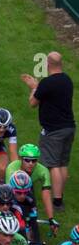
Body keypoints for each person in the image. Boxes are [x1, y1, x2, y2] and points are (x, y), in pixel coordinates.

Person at [21, 53, 74, 210]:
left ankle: (57, 201)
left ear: (47, 64)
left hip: (53, 130)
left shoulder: (47, 83)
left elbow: (32, 103)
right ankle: (60, 195)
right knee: (63, 163)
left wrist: (34, 87)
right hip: (69, 127)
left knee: (53, 165)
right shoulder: (67, 80)